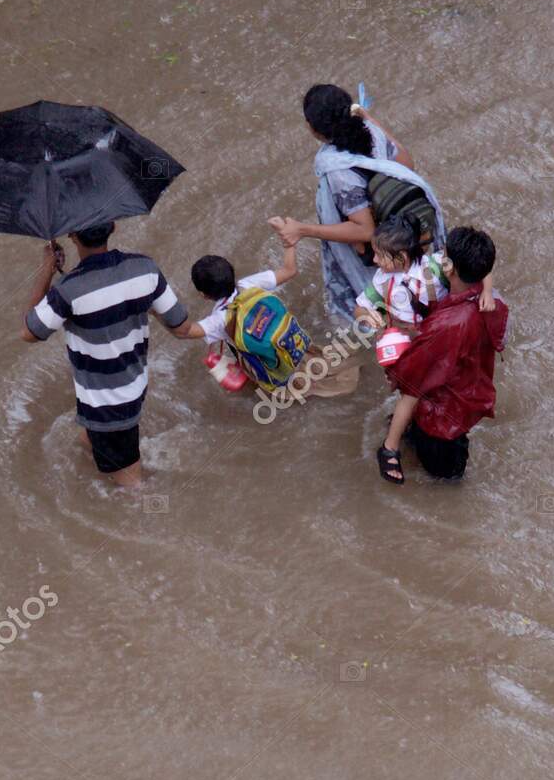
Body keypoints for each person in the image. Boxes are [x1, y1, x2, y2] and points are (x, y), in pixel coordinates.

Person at [20, 221, 190, 486]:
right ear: (113, 226)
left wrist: (46, 269)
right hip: (135, 384)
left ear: (73, 236)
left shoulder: (67, 290)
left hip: (106, 406)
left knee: (133, 489)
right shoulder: (145, 268)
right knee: (90, 440)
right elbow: (178, 323)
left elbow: (30, 331)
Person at [268, 84, 447, 326]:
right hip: (410, 233)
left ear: (313, 128)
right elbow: (406, 164)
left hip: (382, 248)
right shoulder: (370, 130)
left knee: (390, 305)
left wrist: (302, 229)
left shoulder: (338, 171)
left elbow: (365, 230)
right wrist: (370, 118)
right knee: (423, 292)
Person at [376, 226, 508, 484]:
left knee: (446, 481)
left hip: (440, 422)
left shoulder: (449, 325)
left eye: (444, 256)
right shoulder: (488, 301)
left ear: (451, 269)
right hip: (462, 399)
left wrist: (393, 372)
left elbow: (412, 378)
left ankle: (388, 448)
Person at [173, 242, 359, 398]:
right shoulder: (250, 284)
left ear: (203, 295)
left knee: (282, 387)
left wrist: (155, 308)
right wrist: (289, 242)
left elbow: (184, 331)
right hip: (297, 345)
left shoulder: (218, 320)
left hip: (277, 371)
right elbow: (290, 270)